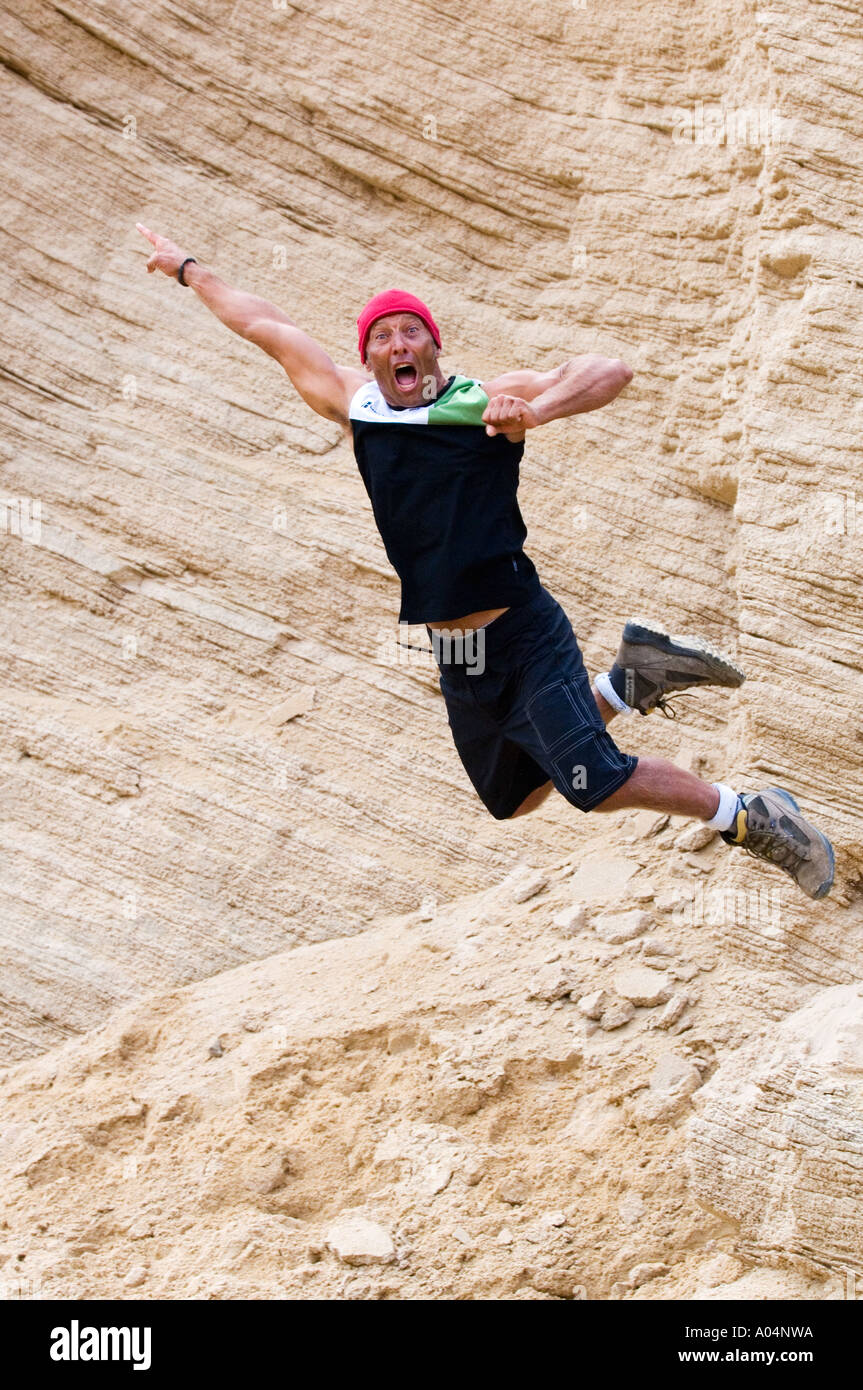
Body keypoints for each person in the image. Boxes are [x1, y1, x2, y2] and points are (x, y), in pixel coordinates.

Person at [135, 225, 835, 899]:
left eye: (411, 331)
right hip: (458, 652)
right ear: (369, 358)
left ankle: (746, 812)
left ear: (435, 348)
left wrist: (538, 412)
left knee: (589, 780)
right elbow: (263, 325)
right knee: (514, 795)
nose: (397, 343)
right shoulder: (357, 407)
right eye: (381, 336)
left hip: (522, 632)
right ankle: (632, 678)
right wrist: (188, 270)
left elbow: (607, 371)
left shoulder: (480, 403)